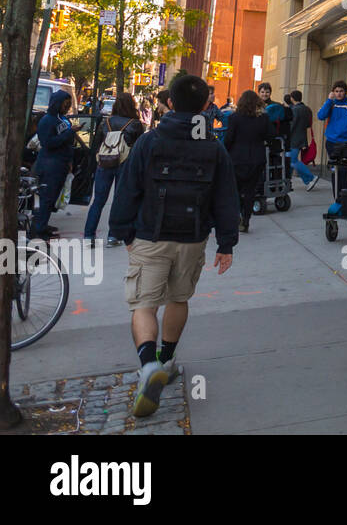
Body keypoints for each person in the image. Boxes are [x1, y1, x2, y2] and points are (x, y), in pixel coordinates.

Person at [108, 73, 239, 418]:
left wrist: (122, 231)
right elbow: (227, 197)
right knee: (178, 299)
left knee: (144, 304)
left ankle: (148, 365)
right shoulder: (213, 145)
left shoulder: (150, 141)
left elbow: (128, 188)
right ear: (206, 106)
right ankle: (167, 358)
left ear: (169, 103)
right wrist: (227, 242)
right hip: (192, 238)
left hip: (150, 235)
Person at [86, 93, 145, 247]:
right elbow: (139, 148)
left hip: (105, 162)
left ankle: (88, 235)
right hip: (125, 163)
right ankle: (113, 236)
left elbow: (96, 144)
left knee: (98, 201)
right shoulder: (135, 124)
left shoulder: (106, 122)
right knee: (119, 200)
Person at [30, 89, 82, 239]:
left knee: (52, 198)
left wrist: (70, 161)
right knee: (46, 198)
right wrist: (70, 132)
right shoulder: (47, 120)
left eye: (68, 104)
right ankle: (38, 230)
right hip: (49, 164)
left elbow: (67, 142)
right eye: (64, 104)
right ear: (57, 103)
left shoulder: (63, 119)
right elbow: (48, 143)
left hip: (61, 163)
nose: (67, 107)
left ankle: (43, 224)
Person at [223, 90, 273, 233]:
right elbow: (271, 136)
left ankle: (237, 215)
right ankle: (246, 219)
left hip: (237, 158)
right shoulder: (263, 118)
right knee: (250, 191)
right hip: (257, 158)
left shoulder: (234, 118)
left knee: (236, 190)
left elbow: (229, 139)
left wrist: (226, 152)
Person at [318, 80, 347, 208]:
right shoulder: (331, 104)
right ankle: (338, 200)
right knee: (335, 171)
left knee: (345, 171)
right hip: (332, 143)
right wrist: (328, 100)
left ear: (345, 92)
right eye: (336, 91)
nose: (339, 94)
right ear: (333, 92)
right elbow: (320, 116)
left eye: (341, 91)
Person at [285, 90, 319, 189]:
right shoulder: (307, 109)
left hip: (293, 140)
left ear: (292, 98)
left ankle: (310, 178)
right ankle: (288, 182)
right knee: (291, 162)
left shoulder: (295, 110)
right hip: (302, 139)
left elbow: (292, 125)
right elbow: (308, 125)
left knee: (293, 161)